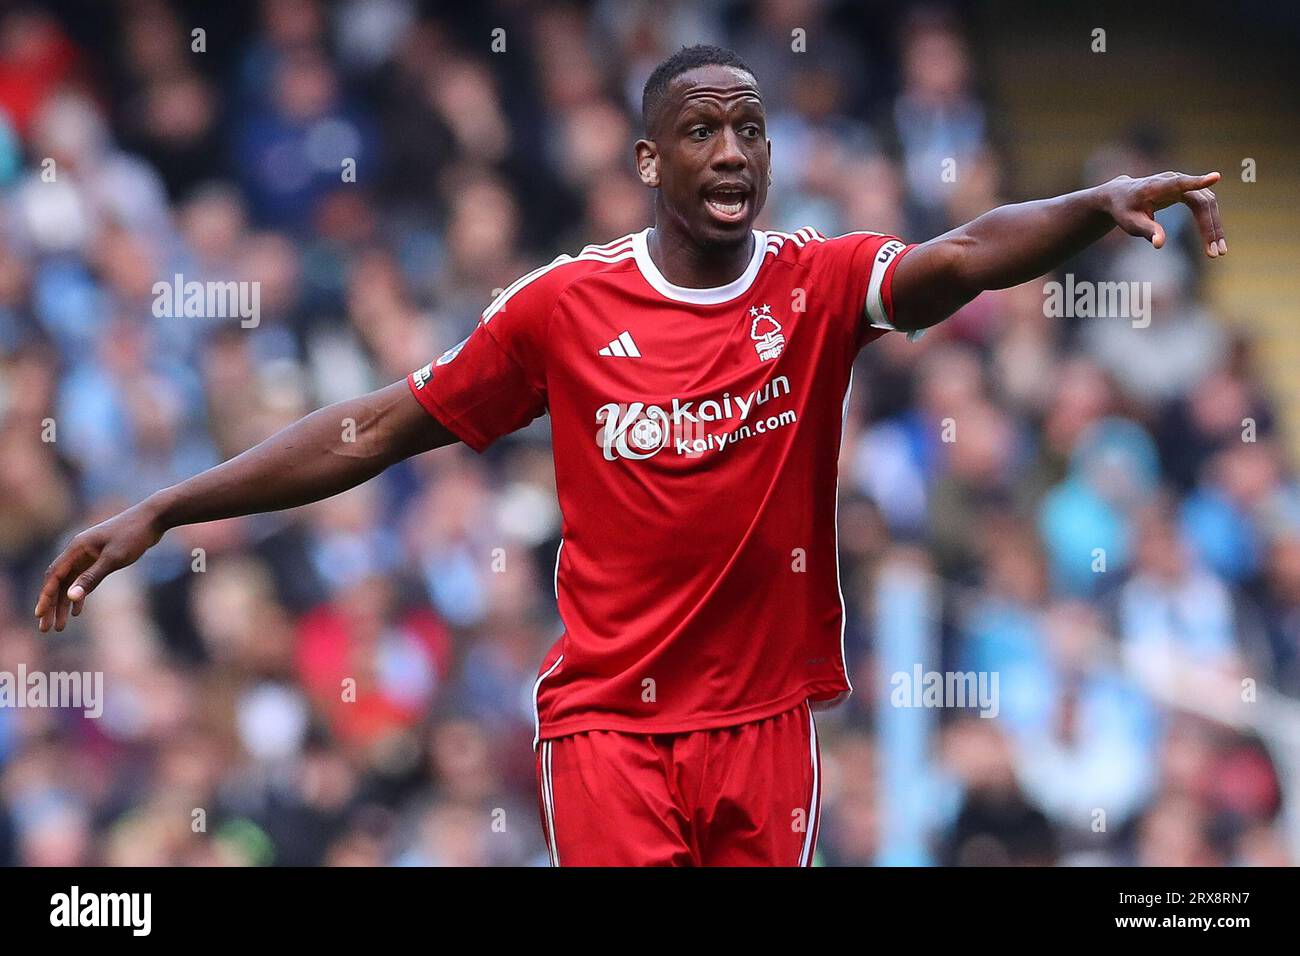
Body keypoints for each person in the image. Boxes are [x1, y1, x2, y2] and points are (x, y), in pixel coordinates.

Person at [34, 45, 1227, 866]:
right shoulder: (561, 307)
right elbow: (378, 426)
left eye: (749, 129)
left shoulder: (813, 286)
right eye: (699, 129)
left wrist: (1094, 201)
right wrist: (172, 505)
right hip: (612, 723)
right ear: (649, 161)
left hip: (765, 723)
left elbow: (962, 254)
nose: (730, 152)